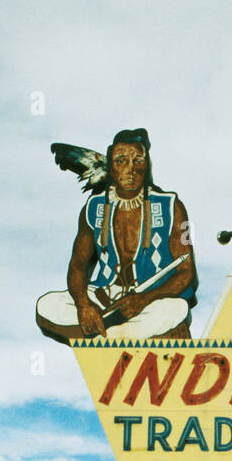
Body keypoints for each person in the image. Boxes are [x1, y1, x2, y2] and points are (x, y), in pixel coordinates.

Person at [36, 128, 197, 342]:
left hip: (151, 302)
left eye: (138, 161)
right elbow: (77, 266)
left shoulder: (171, 206)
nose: (130, 169)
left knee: (175, 309)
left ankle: (105, 334)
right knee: (47, 306)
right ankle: (112, 330)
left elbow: (186, 273)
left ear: (147, 165)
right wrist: (84, 305)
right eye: (121, 160)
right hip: (104, 298)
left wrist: (144, 299)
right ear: (111, 167)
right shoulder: (94, 208)